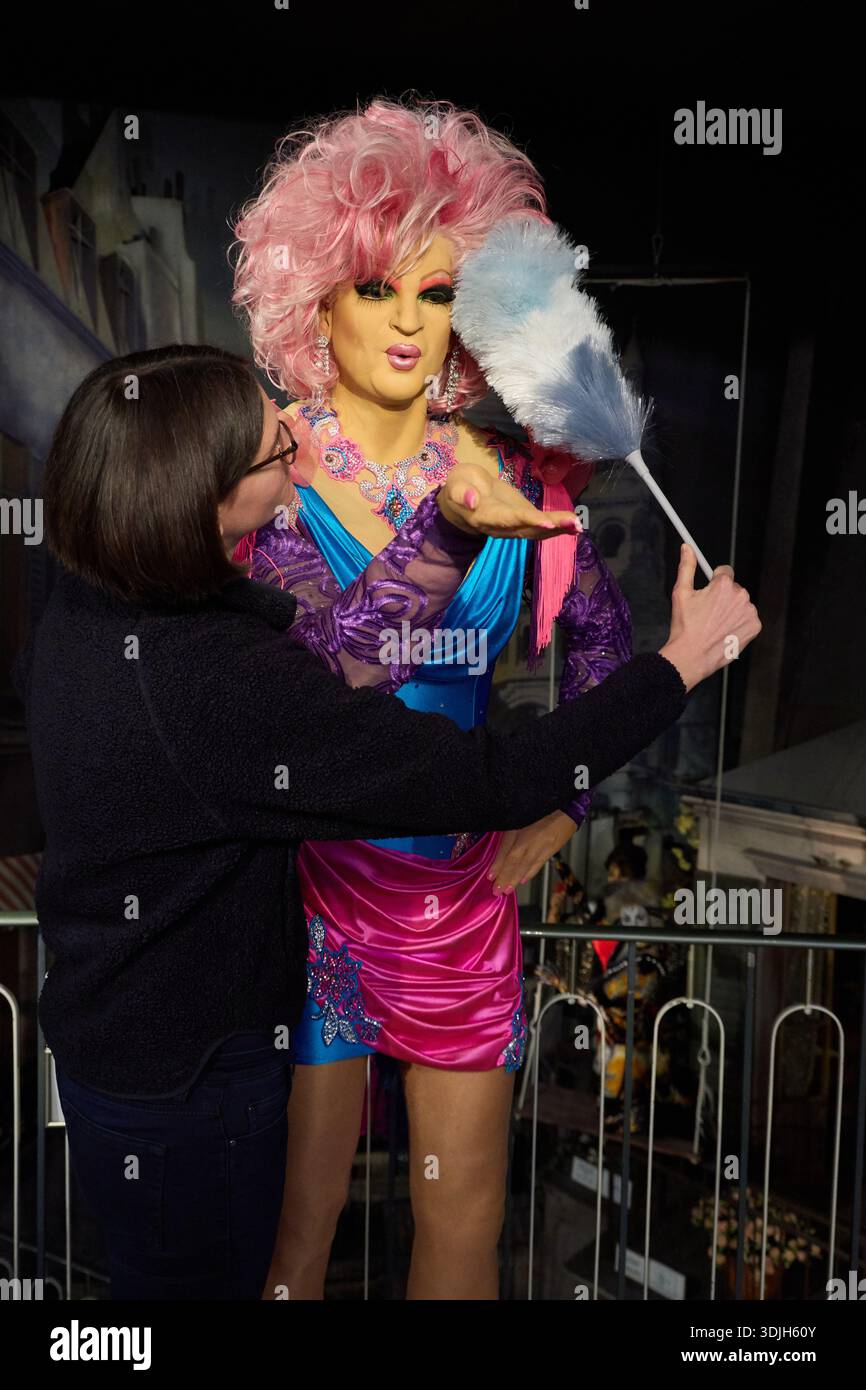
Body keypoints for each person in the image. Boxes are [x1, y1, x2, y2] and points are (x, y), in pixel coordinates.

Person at [14, 341, 757, 1302]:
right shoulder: (216, 684)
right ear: (199, 502)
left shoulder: (81, 608)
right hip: (198, 1078)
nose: (295, 427)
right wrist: (680, 665)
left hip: (117, 1048)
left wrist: (447, 530)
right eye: (268, 441)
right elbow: (485, 776)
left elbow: (333, 660)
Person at [229, 95, 645, 1299]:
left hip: (461, 904)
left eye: (436, 290)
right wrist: (445, 528)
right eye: (374, 288)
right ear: (314, 295)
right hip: (304, 897)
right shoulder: (271, 468)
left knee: (460, 1241)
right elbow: (317, 673)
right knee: (290, 1247)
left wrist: (561, 809)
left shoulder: (519, 478)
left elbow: (609, 664)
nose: (409, 323)